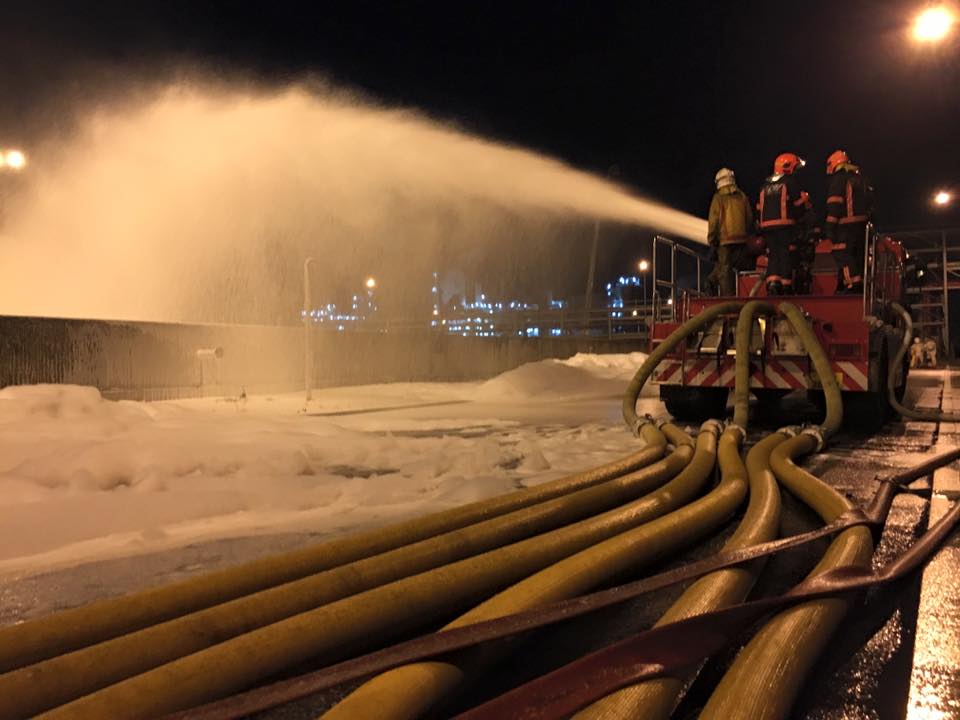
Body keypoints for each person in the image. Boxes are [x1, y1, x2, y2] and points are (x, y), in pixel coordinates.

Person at [757, 153, 813, 295]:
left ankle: (772, 284)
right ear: (788, 167)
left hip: (766, 227)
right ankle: (786, 285)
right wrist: (805, 201)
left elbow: (759, 208)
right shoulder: (790, 182)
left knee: (773, 255)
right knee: (784, 254)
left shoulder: (765, 184)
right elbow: (797, 205)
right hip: (785, 225)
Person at [825, 150, 874, 293]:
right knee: (858, 255)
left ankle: (852, 284)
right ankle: (860, 283)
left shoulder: (839, 179)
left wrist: (829, 227)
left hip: (845, 226)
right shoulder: (860, 179)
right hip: (862, 226)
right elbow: (871, 203)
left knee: (842, 254)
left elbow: (834, 204)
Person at [705, 168, 753, 295]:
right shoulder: (742, 196)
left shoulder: (718, 198)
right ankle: (740, 294)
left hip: (724, 240)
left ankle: (727, 298)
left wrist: (712, 240)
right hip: (741, 239)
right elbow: (749, 217)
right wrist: (747, 233)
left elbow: (714, 220)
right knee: (735, 268)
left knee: (725, 269)